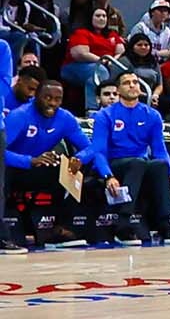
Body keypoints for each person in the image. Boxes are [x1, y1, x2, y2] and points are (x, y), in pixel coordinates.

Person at [4, 79, 115, 246]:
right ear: (36, 96)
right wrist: (29, 161)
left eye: (57, 99)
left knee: (71, 169)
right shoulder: (19, 116)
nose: (52, 103)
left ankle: (59, 228)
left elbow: (92, 148)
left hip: (39, 169)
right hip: (12, 169)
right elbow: (0, 152)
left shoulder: (65, 118)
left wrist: (81, 160)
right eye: (47, 98)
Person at [94, 71, 170, 243]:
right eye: (126, 83)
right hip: (114, 164)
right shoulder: (105, 115)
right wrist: (107, 176)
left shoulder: (152, 115)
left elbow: (159, 149)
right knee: (137, 163)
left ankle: (165, 224)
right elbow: (98, 151)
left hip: (140, 164)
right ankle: (122, 226)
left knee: (160, 165)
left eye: (135, 82)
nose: (132, 85)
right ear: (118, 90)